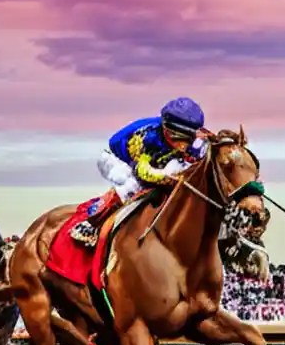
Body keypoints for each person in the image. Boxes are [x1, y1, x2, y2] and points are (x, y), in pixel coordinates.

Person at [70, 97, 208, 247]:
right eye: (177, 138)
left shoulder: (197, 140)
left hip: (156, 160)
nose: (182, 145)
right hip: (117, 160)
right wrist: (167, 178)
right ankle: (92, 222)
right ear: (166, 129)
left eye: (187, 139)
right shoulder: (148, 137)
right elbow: (143, 172)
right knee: (134, 185)